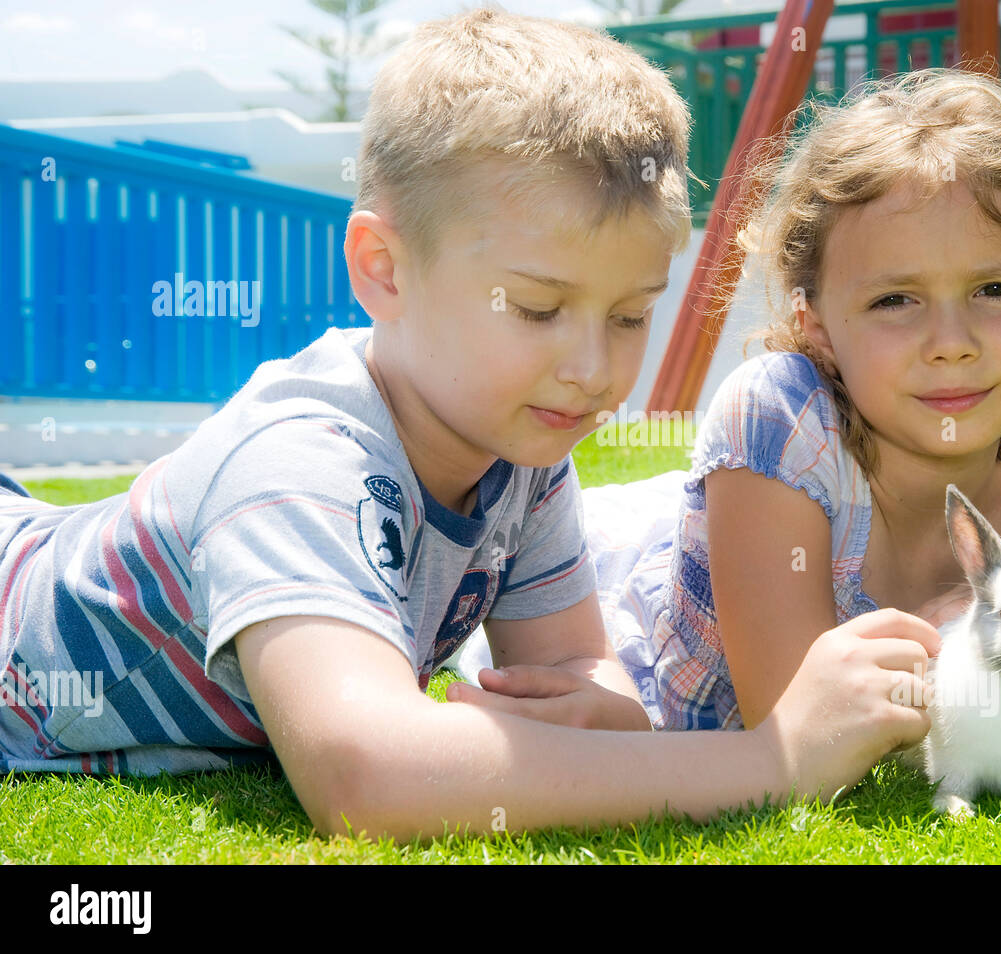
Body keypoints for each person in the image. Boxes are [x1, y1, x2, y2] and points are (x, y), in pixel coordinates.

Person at [0, 10, 942, 842]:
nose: (593, 367)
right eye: (536, 308)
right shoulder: (295, 462)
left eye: (628, 315)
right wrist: (771, 761)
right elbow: (367, 774)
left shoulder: (519, 452)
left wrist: (604, 715)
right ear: (384, 269)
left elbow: (578, 667)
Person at [493, 68, 1001, 759]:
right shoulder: (778, 418)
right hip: (619, 583)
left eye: (995, 290)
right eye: (893, 300)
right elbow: (812, 727)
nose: (950, 343)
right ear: (817, 327)